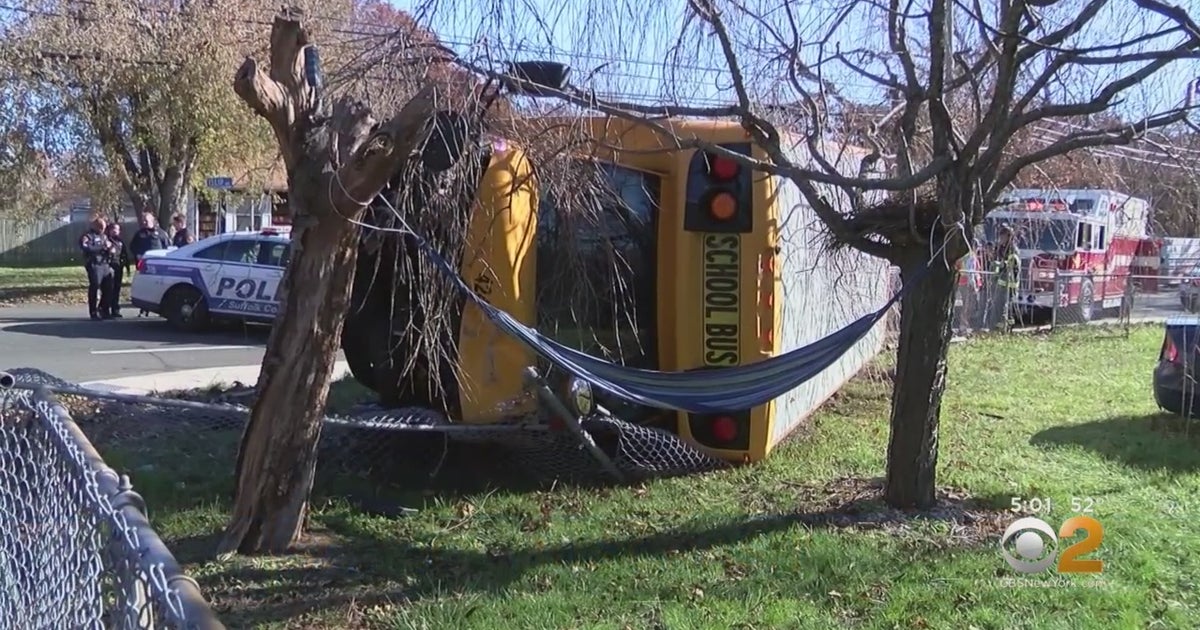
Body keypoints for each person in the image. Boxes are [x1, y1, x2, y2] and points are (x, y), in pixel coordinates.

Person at [130, 212, 171, 316]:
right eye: (143, 220)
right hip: (144, 265)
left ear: (152, 221)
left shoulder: (161, 233)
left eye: (146, 220)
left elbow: (167, 247)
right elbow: (133, 246)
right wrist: (137, 255)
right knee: (145, 286)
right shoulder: (139, 234)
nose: (144, 222)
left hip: (159, 265)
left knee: (158, 286)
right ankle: (144, 308)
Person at [79, 217, 117, 321]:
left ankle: (104, 310)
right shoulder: (88, 236)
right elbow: (86, 247)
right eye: (100, 228)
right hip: (94, 264)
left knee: (108, 288)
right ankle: (93, 312)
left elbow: (110, 247)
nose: (102, 230)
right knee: (95, 287)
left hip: (105, 264)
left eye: (103, 228)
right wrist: (101, 248)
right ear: (95, 226)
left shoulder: (104, 236)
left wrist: (110, 249)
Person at [986, 226, 1022, 331]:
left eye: (1003, 237)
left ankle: (1007, 327)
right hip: (1000, 283)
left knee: (1007, 306)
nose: (1001, 239)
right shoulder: (1001, 248)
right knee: (998, 306)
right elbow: (995, 261)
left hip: (1009, 284)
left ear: (1009, 237)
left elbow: (1010, 266)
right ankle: (998, 327)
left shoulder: (1013, 250)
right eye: (1000, 237)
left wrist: (1001, 264)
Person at [105, 222, 132, 318]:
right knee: (109, 289)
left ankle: (115, 309)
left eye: (117, 229)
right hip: (109, 267)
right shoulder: (107, 240)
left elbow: (124, 255)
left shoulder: (120, 242)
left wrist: (127, 267)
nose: (115, 231)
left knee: (116, 289)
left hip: (119, 267)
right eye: (114, 229)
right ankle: (105, 309)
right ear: (110, 230)